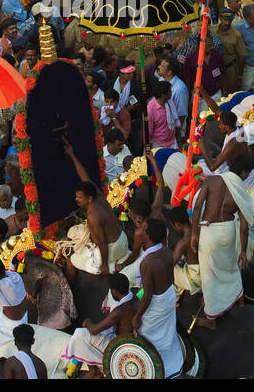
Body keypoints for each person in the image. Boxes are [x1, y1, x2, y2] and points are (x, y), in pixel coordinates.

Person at [190, 155, 254, 329]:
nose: (246, 177)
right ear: (242, 171)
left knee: (209, 272)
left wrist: (194, 233)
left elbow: (197, 207)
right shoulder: (240, 189)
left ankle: (211, 319)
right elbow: (243, 225)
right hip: (228, 230)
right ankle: (239, 299)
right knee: (231, 266)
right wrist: (242, 250)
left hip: (209, 231)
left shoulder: (211, 181)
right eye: (247, 174)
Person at [59, 136, 129, 280]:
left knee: (72, 260)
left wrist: (104, 264)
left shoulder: (92, 215)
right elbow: (84, 175)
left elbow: (102, 242)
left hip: (114, 249)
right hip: (123, 239)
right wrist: (72, 155)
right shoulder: (97, 194)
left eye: (79, 198)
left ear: (88, 199)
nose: (76, 200)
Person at [133, 218, 186, 378]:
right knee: (167, 332)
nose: (139, 230)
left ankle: (163, 369)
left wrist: (138, 316)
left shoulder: (148, 263)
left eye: (143, 229)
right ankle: (175, 362)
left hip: (156, 302)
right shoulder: (165, 250)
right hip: (169, 295)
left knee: (151, 336)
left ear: (148, 237)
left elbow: (147, 295)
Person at [62, 272, 136, 377]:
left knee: (80, 334)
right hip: (130, 344)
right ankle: (95, 370)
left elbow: (94, 330)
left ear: (114, 292)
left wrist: (88, 321)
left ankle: (94, 371)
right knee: (85, 336)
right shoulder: (136, 300)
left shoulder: (120, 310)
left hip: (120, 349)